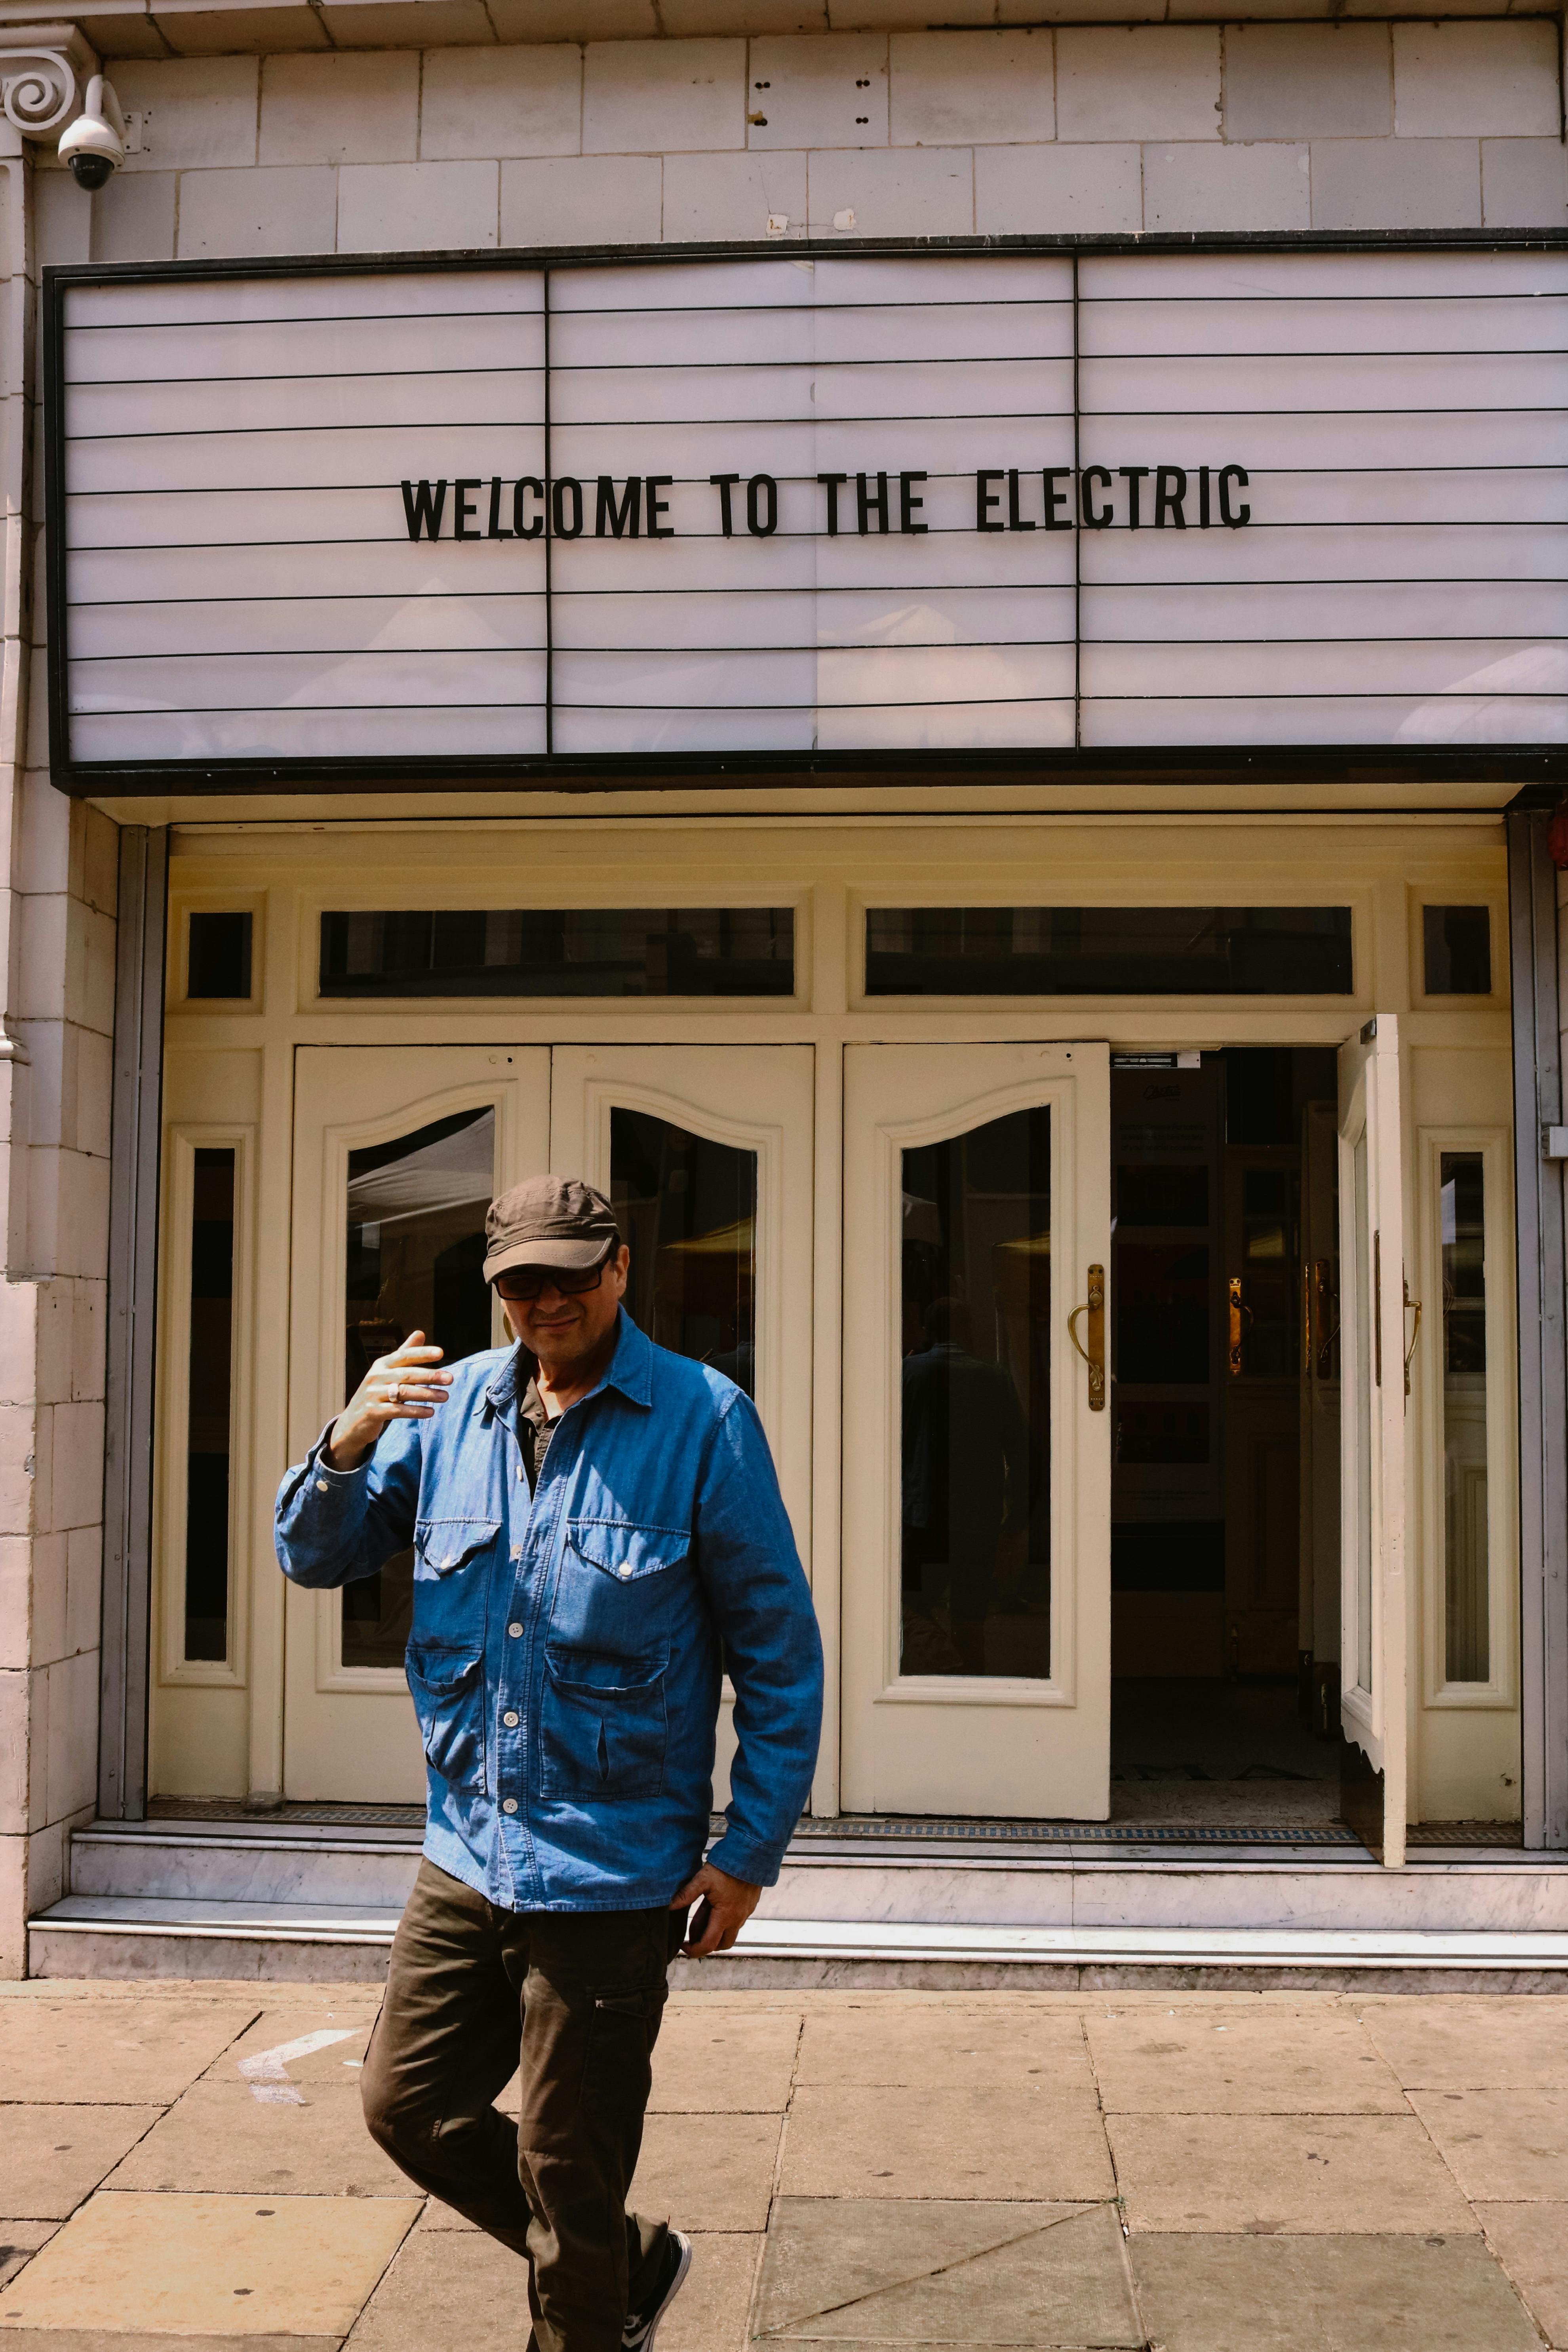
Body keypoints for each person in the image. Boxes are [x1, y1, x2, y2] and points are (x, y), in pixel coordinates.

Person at [274, 1174, 823, 2352]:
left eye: (573, 1272)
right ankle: (624, 2261)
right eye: (523, 1279)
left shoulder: (704, 1419)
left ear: (621, 1266)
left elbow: (779, 1649)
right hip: (467, 1852)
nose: (549, 1298)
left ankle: (590, 2291)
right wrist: (349, 1434)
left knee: (566, 2169)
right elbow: (309, 1555)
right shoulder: (447, 1409)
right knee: (404, 2104)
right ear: (494, 1287)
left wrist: (748, 1850)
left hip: (616, 1869)